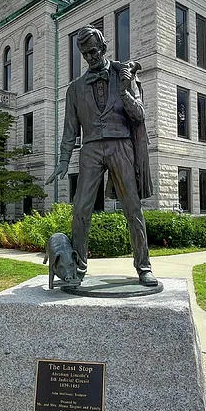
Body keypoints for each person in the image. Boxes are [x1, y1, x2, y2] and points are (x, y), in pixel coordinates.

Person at [46, 24, 157, 286]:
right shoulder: (75, 89)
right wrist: (63, 160)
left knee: (132, 207)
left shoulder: (124, 75)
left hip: (121, 146)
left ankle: (144, 267)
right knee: (81, 209)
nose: (90, 57)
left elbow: (139, 115)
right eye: (85, 54)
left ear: (104, 47)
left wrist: (124, 90)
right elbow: (70, 130)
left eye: (94, 51)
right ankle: (78, 267)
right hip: (91, 149)